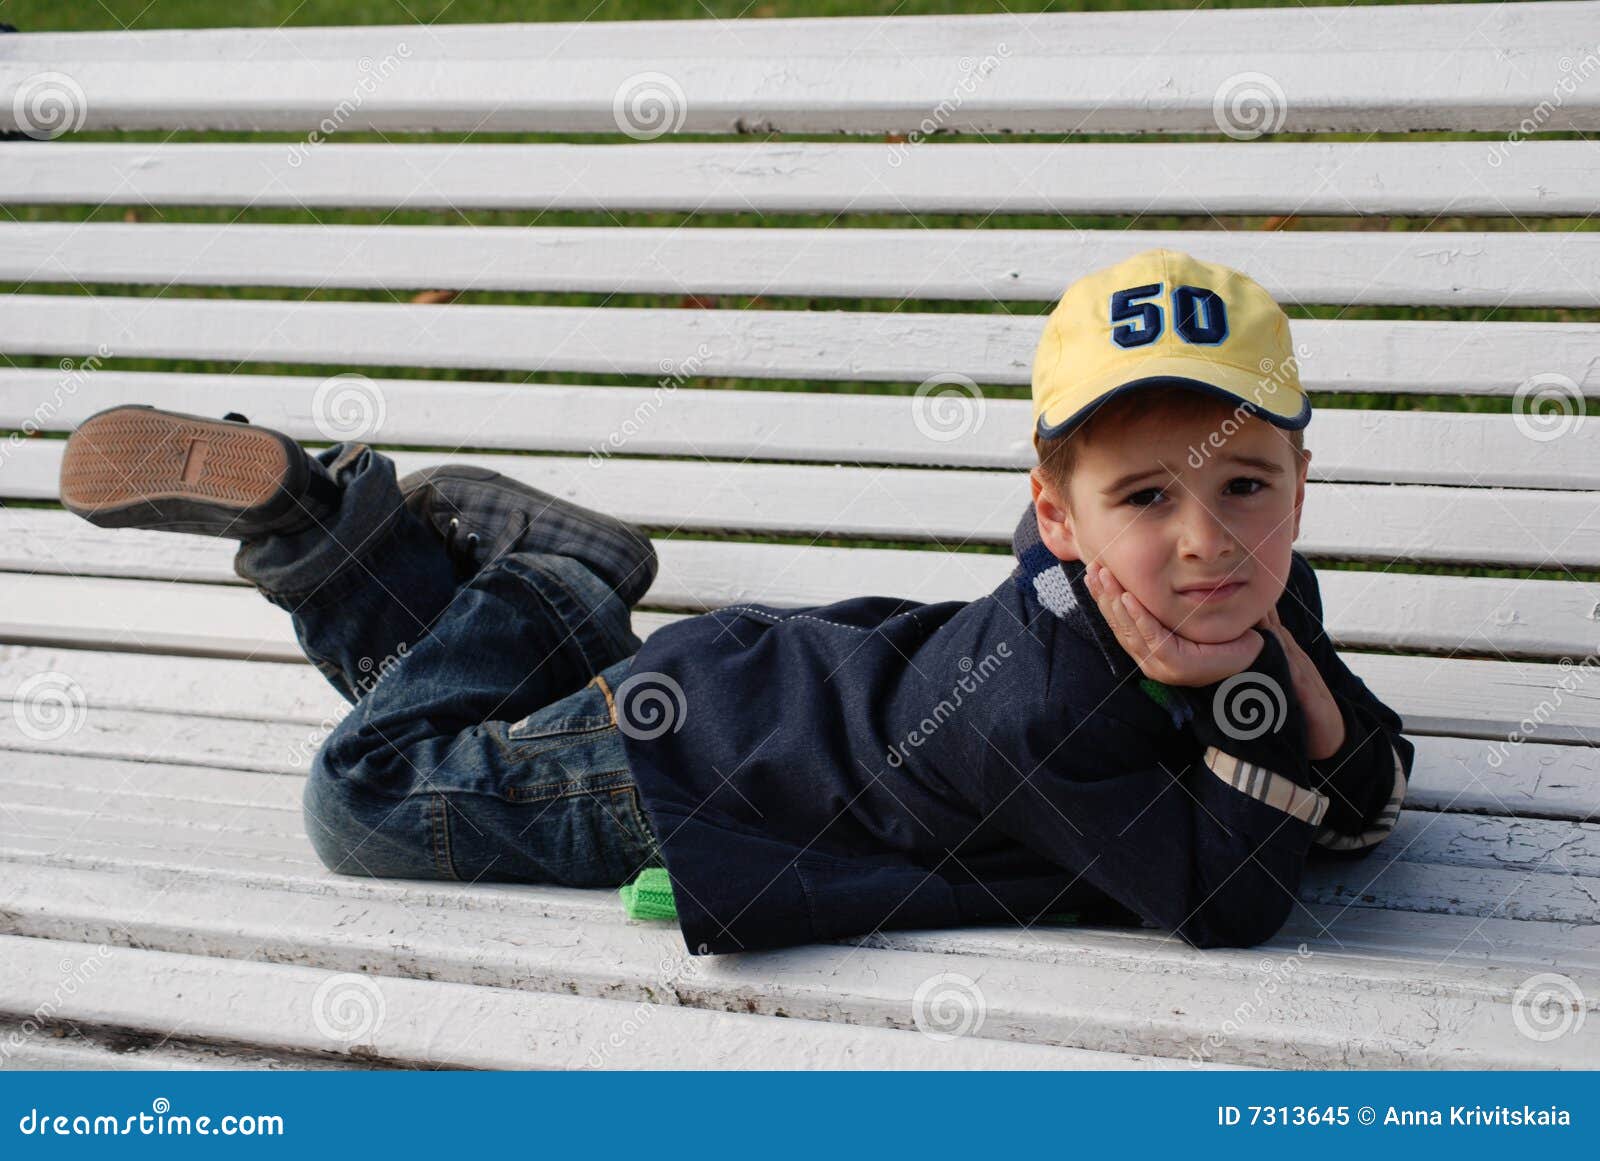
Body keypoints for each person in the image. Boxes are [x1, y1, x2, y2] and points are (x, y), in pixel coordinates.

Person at [57, 247, 1410, 958]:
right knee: (366, 795)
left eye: (1245, 487)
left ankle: (496, 591)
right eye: (1144, 499)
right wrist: (1284, 697)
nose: (1205, 543)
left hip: (751, 690)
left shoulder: (1247, 600)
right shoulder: (1052, 698)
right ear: (1055, 511)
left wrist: (1291, 680)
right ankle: (523, 580)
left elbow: (1362, 784)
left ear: (1301, 479)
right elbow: (1231, 897)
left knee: (481, 720)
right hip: (686, 764)